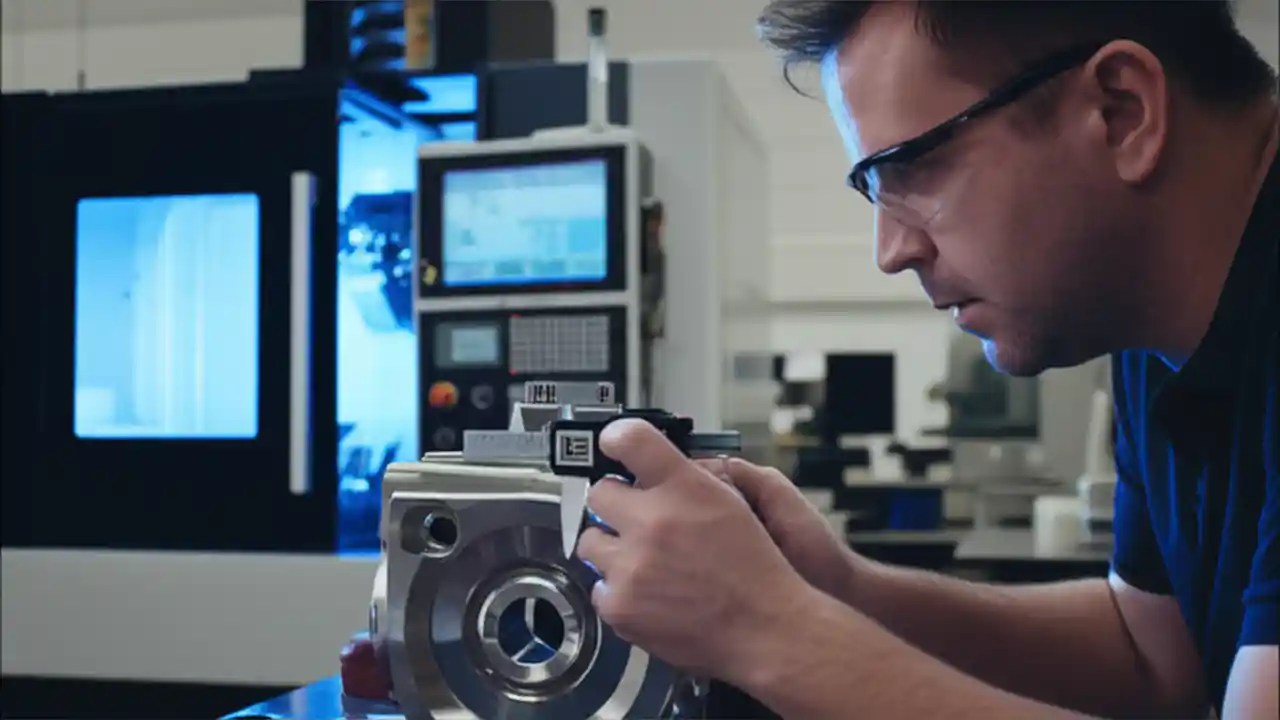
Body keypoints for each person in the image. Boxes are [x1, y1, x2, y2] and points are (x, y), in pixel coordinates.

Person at [576, 1, 1279, 718]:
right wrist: (835, 589)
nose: (892, 251)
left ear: (1121, 112)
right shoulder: (1154, 322)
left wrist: (764, 629)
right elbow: (1150, 657)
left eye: (912, 171)